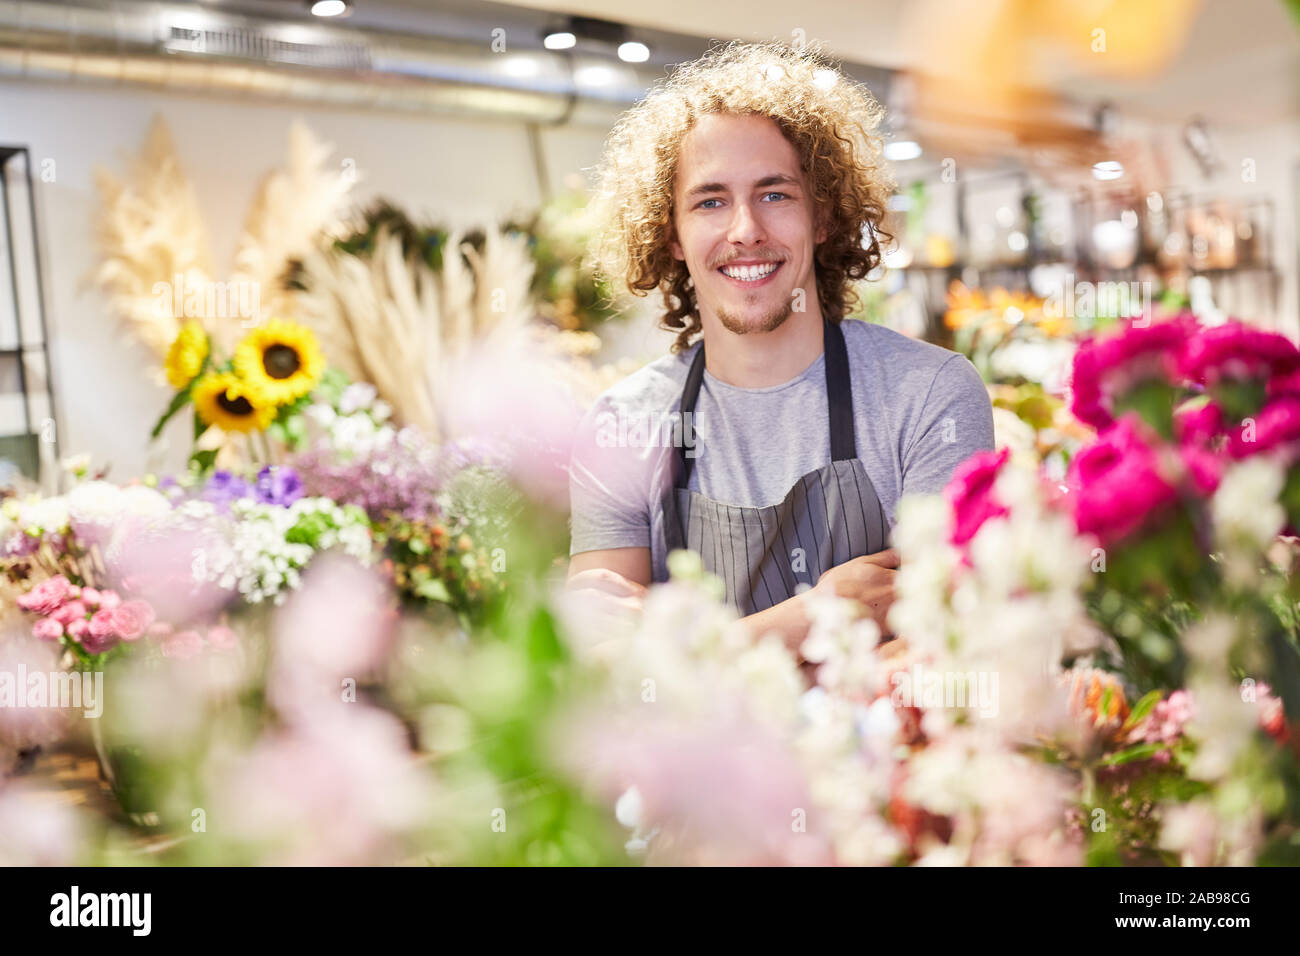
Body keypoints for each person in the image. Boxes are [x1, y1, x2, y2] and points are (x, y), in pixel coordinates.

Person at [567, 41, 993, 651]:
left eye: (775, 194)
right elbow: (603, 671)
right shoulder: (623, 425)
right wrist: (817, 615)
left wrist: (677, 648)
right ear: (676, 237)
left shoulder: (929, 395)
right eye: (711, 201)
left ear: (822, 218)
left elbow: (936, 651)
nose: (746, 231)